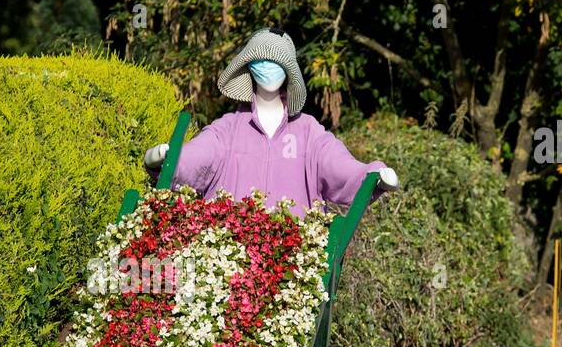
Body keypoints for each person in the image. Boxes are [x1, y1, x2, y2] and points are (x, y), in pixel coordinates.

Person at [144, 28, 398, 218]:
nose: (269, 67)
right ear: (249, 67)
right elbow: (199, 156)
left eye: (277, 62)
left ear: (290, 71)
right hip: (229, 261)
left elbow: (340, 166)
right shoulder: (228, 128)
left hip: (293, 265)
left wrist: (372, 175)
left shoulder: (309, 132)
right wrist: (169, 158)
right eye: (261, 60)